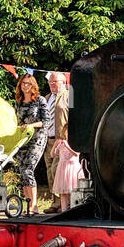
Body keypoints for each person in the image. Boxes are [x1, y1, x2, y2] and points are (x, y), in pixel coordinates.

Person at [13, 74, 47, 215]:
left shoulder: (40, 100)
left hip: (37, 137)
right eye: (23, 84)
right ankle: (27, 204)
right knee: (22, 170)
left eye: (28, 84)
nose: (25, 86)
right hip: (22, 138)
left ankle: (34, 205)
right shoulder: (18, 102)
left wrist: (30, 125)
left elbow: (45, 121)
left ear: (33, 86)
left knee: (28, 167)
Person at [41, 71, 69, 211]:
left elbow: (76, 118)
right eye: (50, 82)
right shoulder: (47, 98)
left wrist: (68, 138)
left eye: (55, 81)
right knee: (49, 171)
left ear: (63, 82)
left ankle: (64, 202)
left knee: (56, 170)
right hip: (48, 140)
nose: (52, 84)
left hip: (63, 140)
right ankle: (55, 203)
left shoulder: (69, 96)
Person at [50, 137, 82, 212]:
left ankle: (75, 210)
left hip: (73, 168)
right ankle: (64, 210)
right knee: (63, 192)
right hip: (63, 169)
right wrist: (55, 145)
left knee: (74, 191)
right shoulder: (61, 143)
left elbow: (77, 154)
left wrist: (67, 145)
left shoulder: (74, 143)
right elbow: (52, 155)